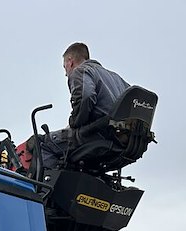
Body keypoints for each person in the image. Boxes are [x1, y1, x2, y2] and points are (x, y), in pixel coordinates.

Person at [36, 42, 131, 173]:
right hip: (122, 139)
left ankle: (48, 189)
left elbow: (86, 96)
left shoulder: (81, 71)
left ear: (70, 61)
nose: (66, 73)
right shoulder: (118, 79)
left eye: (65, 68)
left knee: (42, 143)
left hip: (98, 135)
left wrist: (75, 122)